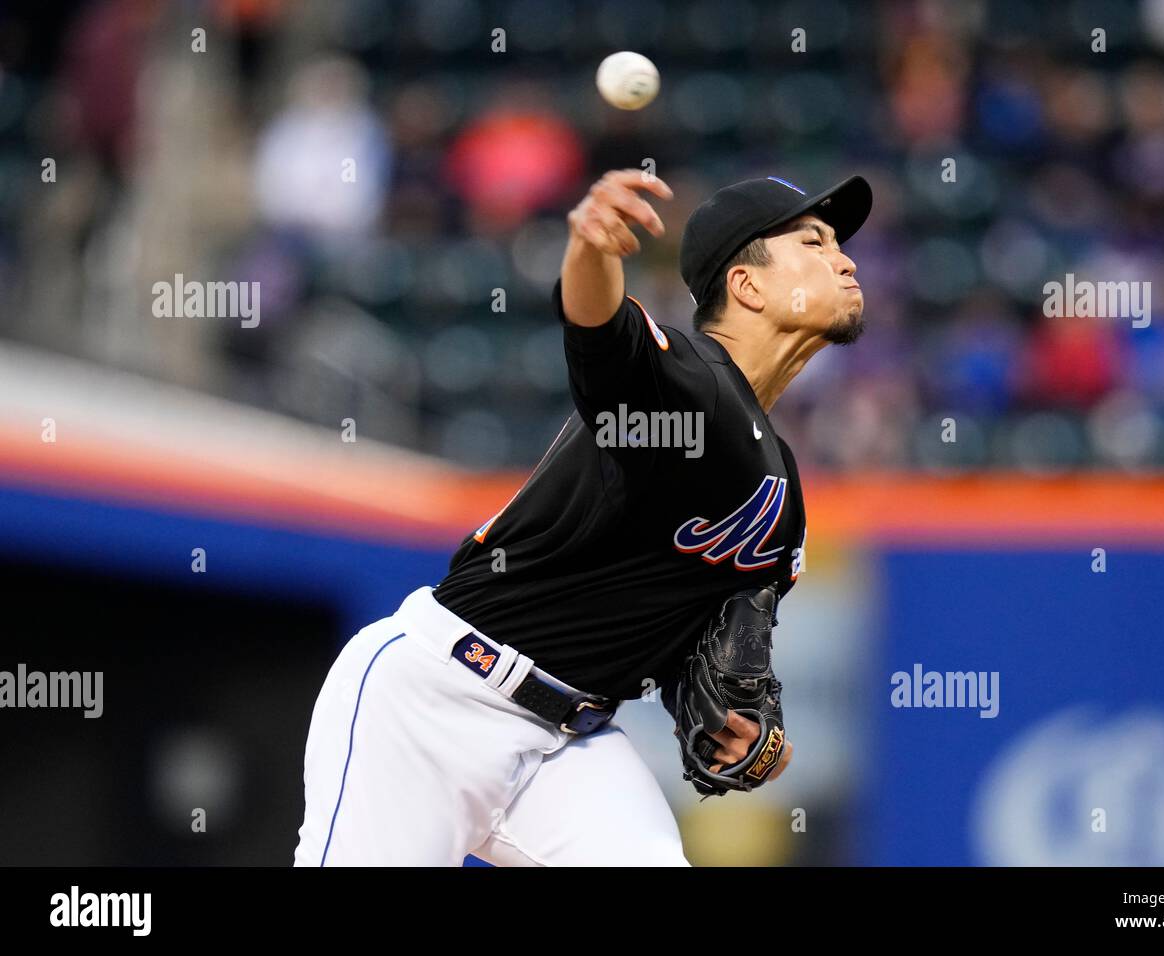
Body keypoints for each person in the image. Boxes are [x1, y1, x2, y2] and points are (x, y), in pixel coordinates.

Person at [293, 169, 871, 866]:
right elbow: (602, 333)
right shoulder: (687, 387)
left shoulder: (785, 499)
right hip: (434, 701)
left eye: (839, 243)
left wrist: (736, 724)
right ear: (746, 286)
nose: (843, 258)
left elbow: (709, 656)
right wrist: (591, 250)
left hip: (572, 746)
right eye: (813, 242)